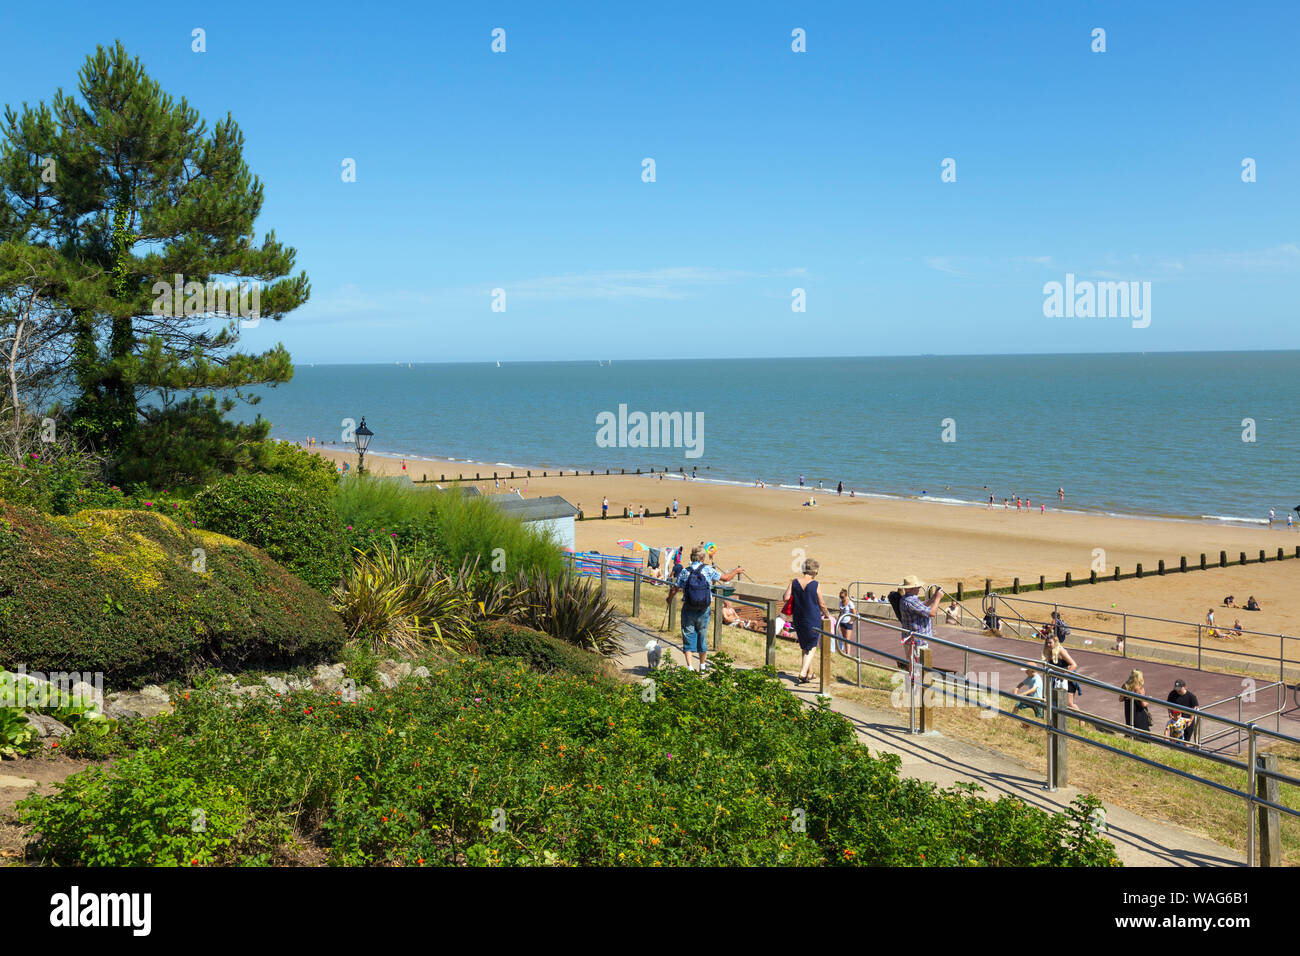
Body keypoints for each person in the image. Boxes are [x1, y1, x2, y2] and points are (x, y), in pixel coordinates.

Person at [669, 546, 744, 673]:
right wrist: (736, 571)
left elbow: (676, 588)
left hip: (688, 607)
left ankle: (690, 667)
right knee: (702, 635)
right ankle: (703, 665)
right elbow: (725, 578)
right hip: (704, 608)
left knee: (688, 635)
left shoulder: (685, 571)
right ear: (703, 557)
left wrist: (669, 598)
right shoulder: (708, 570)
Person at [785, 559, 832, 684]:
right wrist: (827, 615)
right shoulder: (815, 584)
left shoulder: (794, 582)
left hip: (798, 617)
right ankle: (803, 671)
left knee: (805, 645)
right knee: (812, 645)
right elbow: (821, 603)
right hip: (812, 617)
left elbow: (785, 597)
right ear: (815, 571)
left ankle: (809, 673)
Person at [1042, 634, 1081, 709]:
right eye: (1047, 643)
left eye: (1050, 643)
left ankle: (1081, 719)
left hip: (1069, 678)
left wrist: (1064, 675)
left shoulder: (1061, 651)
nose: (1048, 645)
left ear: (1055, 643)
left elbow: (1074, 664)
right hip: (1058, 679)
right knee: (1056, 702)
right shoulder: (1049, 653)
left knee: (1069, 704)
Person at [1166, 678, 1199, 743]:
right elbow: (1168, 705)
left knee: (1186, 741)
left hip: (1186, 721)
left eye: (1179, 689)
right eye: (1177, 689)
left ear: (1185, 687)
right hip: (1176, 721)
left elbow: (1194, 709)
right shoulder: (1173, 694)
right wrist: (1169, 712)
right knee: (1173, 740)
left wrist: (1191, 720)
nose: (1178, 691)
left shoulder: (1191, 697)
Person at [1121, 670, 1152, 734]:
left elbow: (1120, 699)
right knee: (1143, 733)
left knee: (1131, 729)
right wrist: (1149, 699)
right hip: (1139, 714)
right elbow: (1143, 704)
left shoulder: (1125, 686)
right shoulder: (1140, 689)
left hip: (1129, 712)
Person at [835, 589, 856, 654]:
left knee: (847, 639)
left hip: (848, 623)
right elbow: (840, 613)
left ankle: (848, 654)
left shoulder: (850, 603)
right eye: (840, 597)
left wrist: (850, 621)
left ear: (846, 596)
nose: (841, 598)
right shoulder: (840, 603)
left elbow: (854, 613)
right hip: (842, 622)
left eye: (842, 597)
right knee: (844, 639)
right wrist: (838, 621)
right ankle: (845, 652)